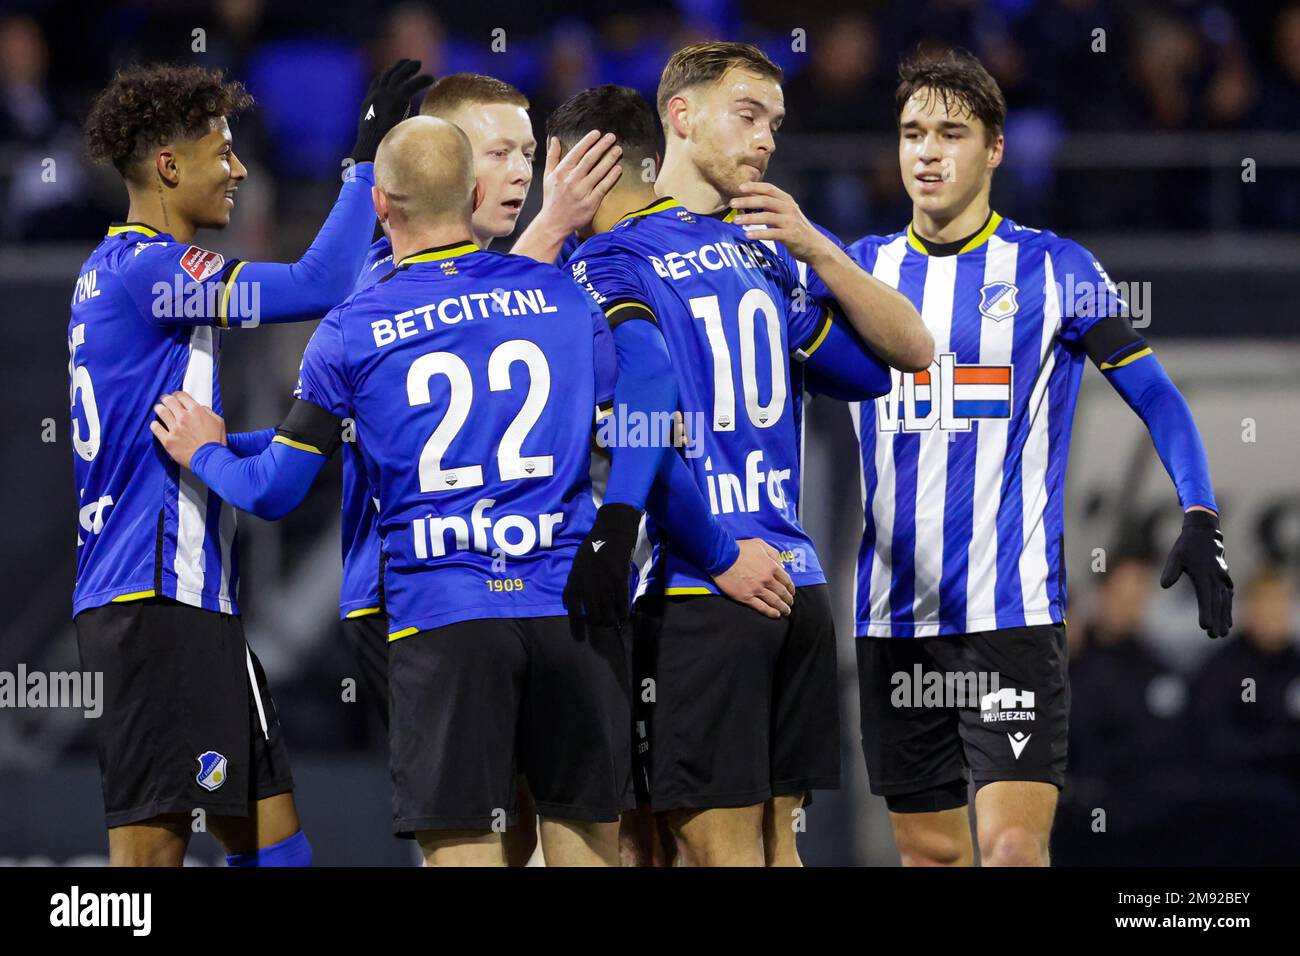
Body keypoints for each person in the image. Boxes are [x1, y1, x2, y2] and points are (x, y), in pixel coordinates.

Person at [151, 115, 644, 866]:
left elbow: (277, 489)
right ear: (474, 191)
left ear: (380, 206)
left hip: (445, 623)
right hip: (568, 612)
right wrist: (616, 523)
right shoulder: (561, 297)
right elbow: (635, 417)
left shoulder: (352, 329)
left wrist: (207, 451)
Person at [844, 48, 1233, 867]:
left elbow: (1157, 393)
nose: (926, 151)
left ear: (994, 149)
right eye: (913, 131)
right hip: (894, 617)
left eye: (951, 132)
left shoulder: (1055, 269)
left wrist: (1200, 509)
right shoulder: (856, 271)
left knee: (1014, 850)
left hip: (1010, 618)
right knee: (928, 856)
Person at [567, 42, 930, 866]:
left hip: (706, 583)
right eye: (748, 115)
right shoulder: (753, 255)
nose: (766, 139)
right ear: (681, 117)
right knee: (778, 852)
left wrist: (815, 244)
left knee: (700, 854)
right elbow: (899, 360)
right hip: (795, 590)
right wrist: (815, 254)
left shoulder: (619, 256)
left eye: (774, 123)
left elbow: (909, 351)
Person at [69, 59, 430, 866]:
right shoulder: (152, 272)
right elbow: (323, 281)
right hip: (155, 605)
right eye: (220, 151)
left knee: (277, 852)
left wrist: (302, 439)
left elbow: (166, 445)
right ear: (169, 166)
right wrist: (365, 158)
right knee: (144, 869)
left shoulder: (112, 273)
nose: (237, 170)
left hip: (190, 603)